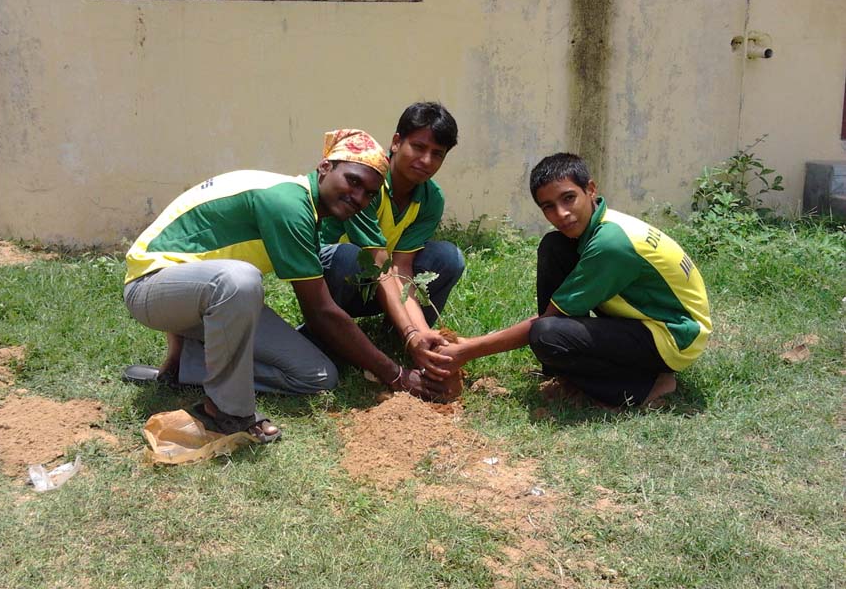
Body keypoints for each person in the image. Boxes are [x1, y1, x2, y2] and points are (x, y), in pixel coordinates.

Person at [123, 129, 451, 443]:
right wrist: (395, 374)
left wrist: (411, 337)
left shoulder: (308, 208)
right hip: (151, 286)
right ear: (325, 167)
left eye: (368, 193)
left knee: (318, 376)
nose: (358, 197)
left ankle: (191, 365)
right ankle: (228, 411)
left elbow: (381, 265)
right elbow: (321, 311)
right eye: (353, 181)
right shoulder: (288, 204)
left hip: (205, 296)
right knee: (240, 280)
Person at [437, 153, 711, 407]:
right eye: (549, 207)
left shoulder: (611, 244)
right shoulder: (603, 225)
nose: (561, 214)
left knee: (546, 336)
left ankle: (648, 386)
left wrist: (468, 349)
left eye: (568, 198)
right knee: (554, 247)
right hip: (652, 320)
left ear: (591, 189)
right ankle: (561, 370)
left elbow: (547, 322)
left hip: (675, 337)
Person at [316, 102, 465, 377]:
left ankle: (398, 337)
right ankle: (327, 334)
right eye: (418, 147)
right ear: (396, 142)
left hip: (380, 278)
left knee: (448, 258)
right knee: (350, 256)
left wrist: (422, 335)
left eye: (437, 154)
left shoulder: (431, 198)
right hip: (334, 277)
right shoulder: (367, 182)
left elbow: (402, 267)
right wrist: (412, 334)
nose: (426, 161)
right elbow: (378, 263)